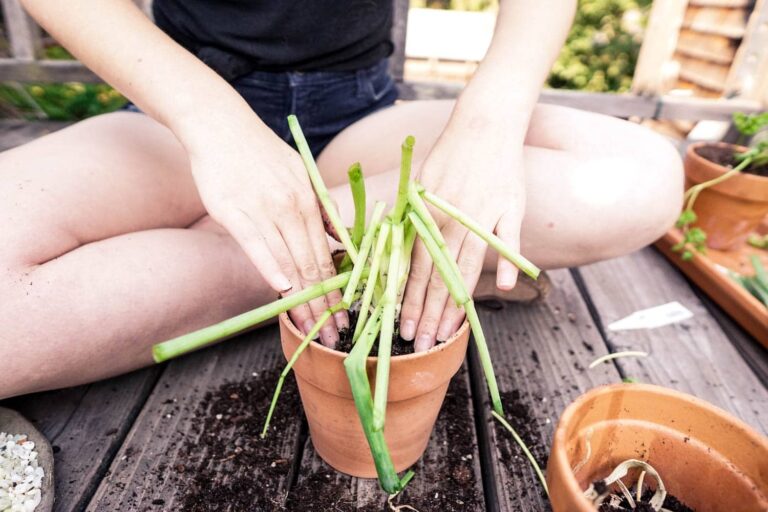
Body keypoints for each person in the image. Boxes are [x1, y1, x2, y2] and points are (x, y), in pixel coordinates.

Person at [0, 0, 682, 399]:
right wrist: (215, 124)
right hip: (179, 120)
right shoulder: (193, 121)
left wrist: (487, 127)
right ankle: (335, 259)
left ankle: (272, 257)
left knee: (641, 177)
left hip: (357, 128)